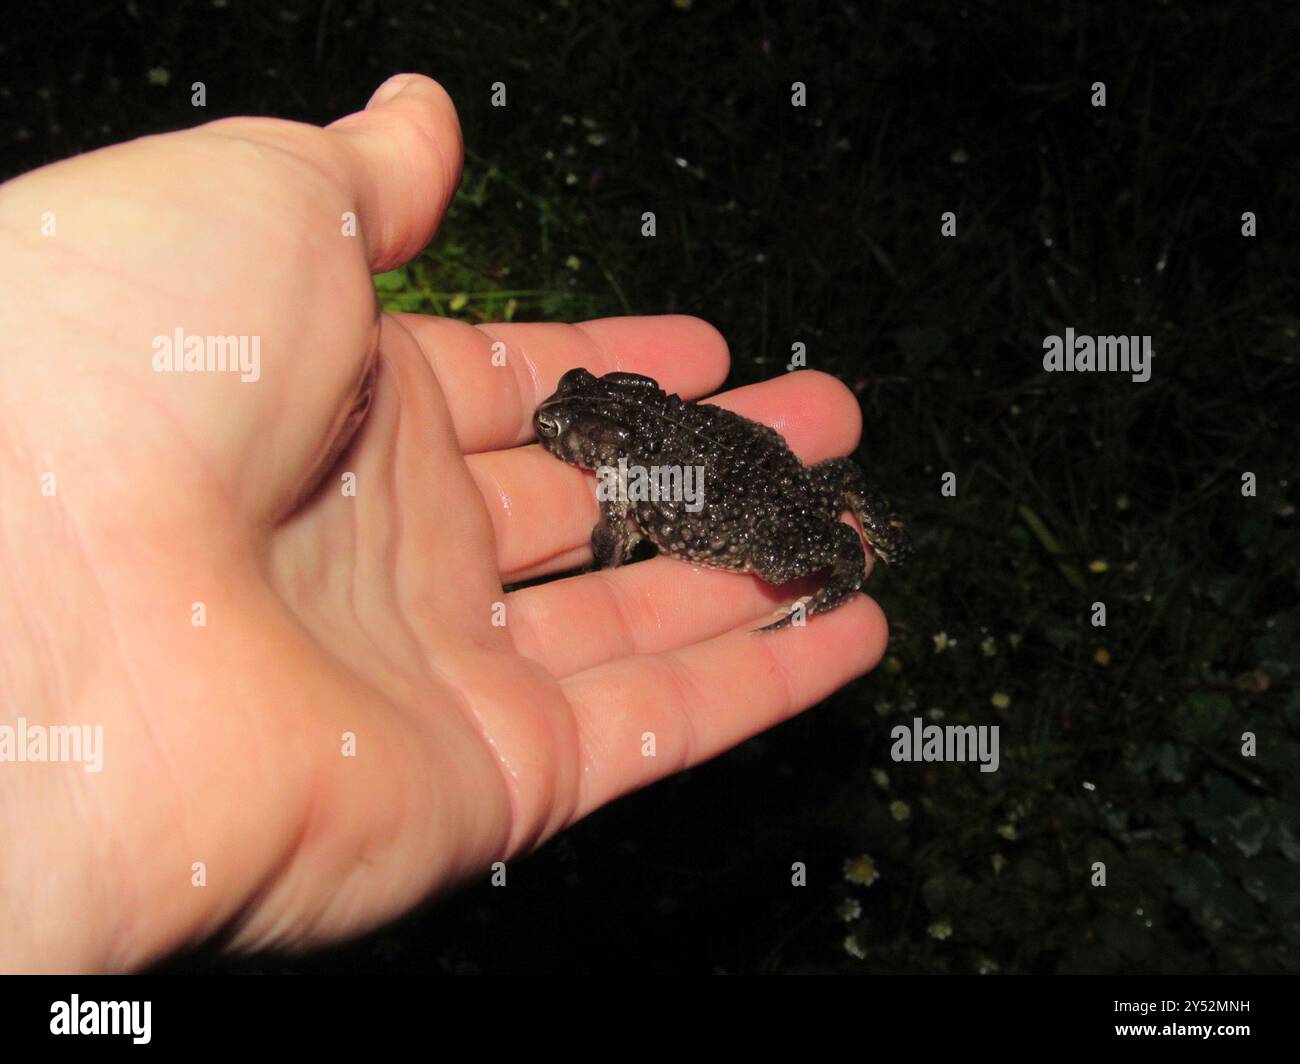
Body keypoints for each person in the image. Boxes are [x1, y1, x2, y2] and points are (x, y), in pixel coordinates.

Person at [0, 73, 890, 972]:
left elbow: (613, 546)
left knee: (790, 558)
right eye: (569, 409)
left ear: (610, 434)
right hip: (755, 463)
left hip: (748, 500)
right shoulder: (634, 430)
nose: (555, 421)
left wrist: (609, 562)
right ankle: (844, 508)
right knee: (803, 482)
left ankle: (843, 569)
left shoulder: (626, 465)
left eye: (573, 425)